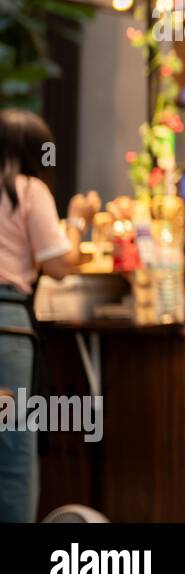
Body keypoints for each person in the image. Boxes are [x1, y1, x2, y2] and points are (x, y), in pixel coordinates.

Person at [0, 108, 98, 523]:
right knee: (14, 450)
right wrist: (78, 220)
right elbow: (59, 263)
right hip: (7, 327)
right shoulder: (26, 189)